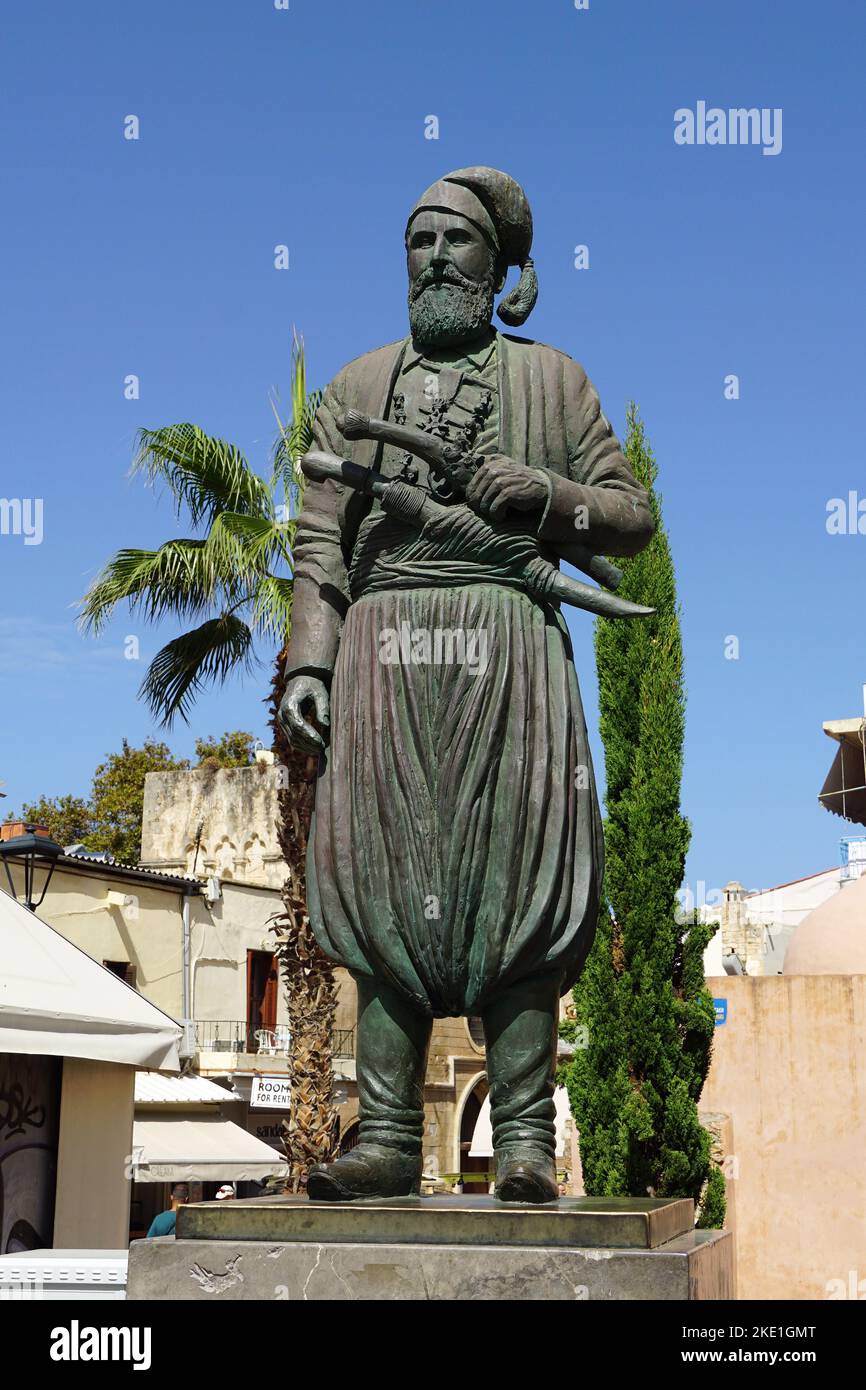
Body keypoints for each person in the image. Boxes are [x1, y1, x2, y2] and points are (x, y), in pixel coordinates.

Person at [279, 166, 653, 1204]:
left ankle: (525, 1141)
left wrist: (549, 495)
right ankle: (388, 1134)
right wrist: (311, 659)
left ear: (499, 266)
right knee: (380, 877)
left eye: (457, 240)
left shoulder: (554, 383)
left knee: (523, 880)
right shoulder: (356, 389)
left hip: (511, 643)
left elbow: (631, 518)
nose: (436, 256)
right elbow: (321, 542)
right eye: (420, 240)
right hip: (384, 652)